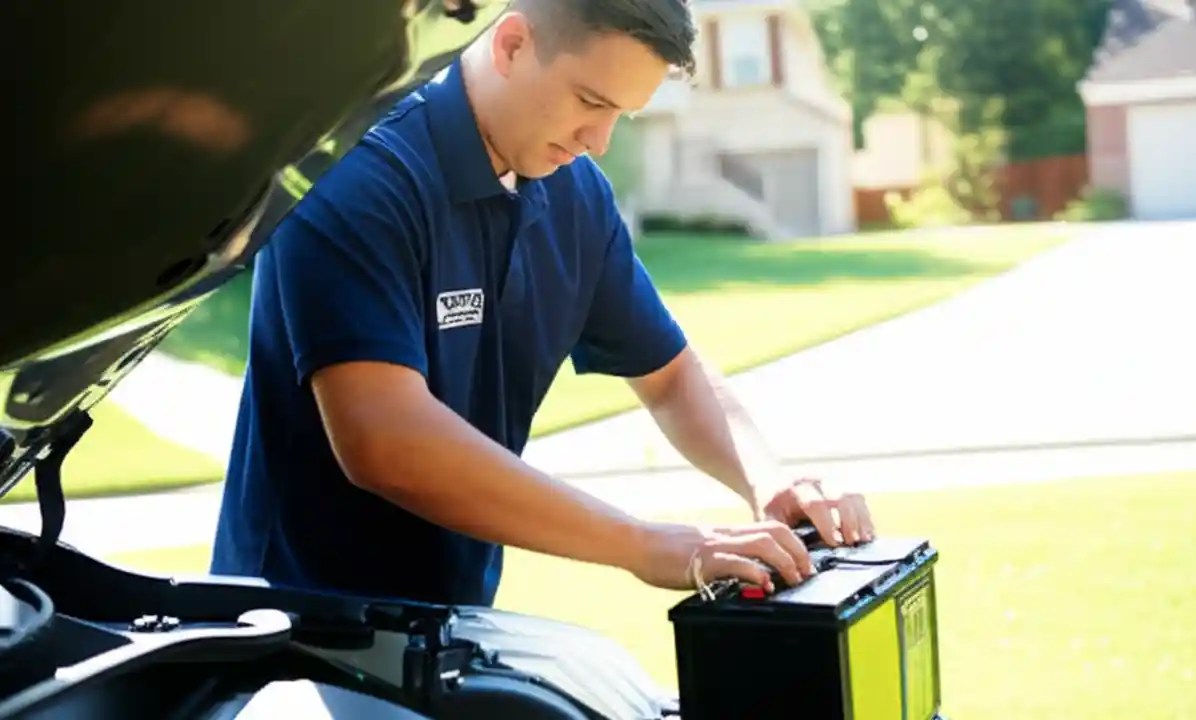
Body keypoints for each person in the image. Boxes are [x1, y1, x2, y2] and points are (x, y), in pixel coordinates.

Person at [209, 0, 875, 608]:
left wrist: (769, 482)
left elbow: (670, 375)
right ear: (511, 43)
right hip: (290, 629)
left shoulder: (576, 195)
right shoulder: (357, 175)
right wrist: (648, 545)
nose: (599, 141)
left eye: (622, 113)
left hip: (453, 621)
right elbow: (385, 441)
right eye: (590, 100)